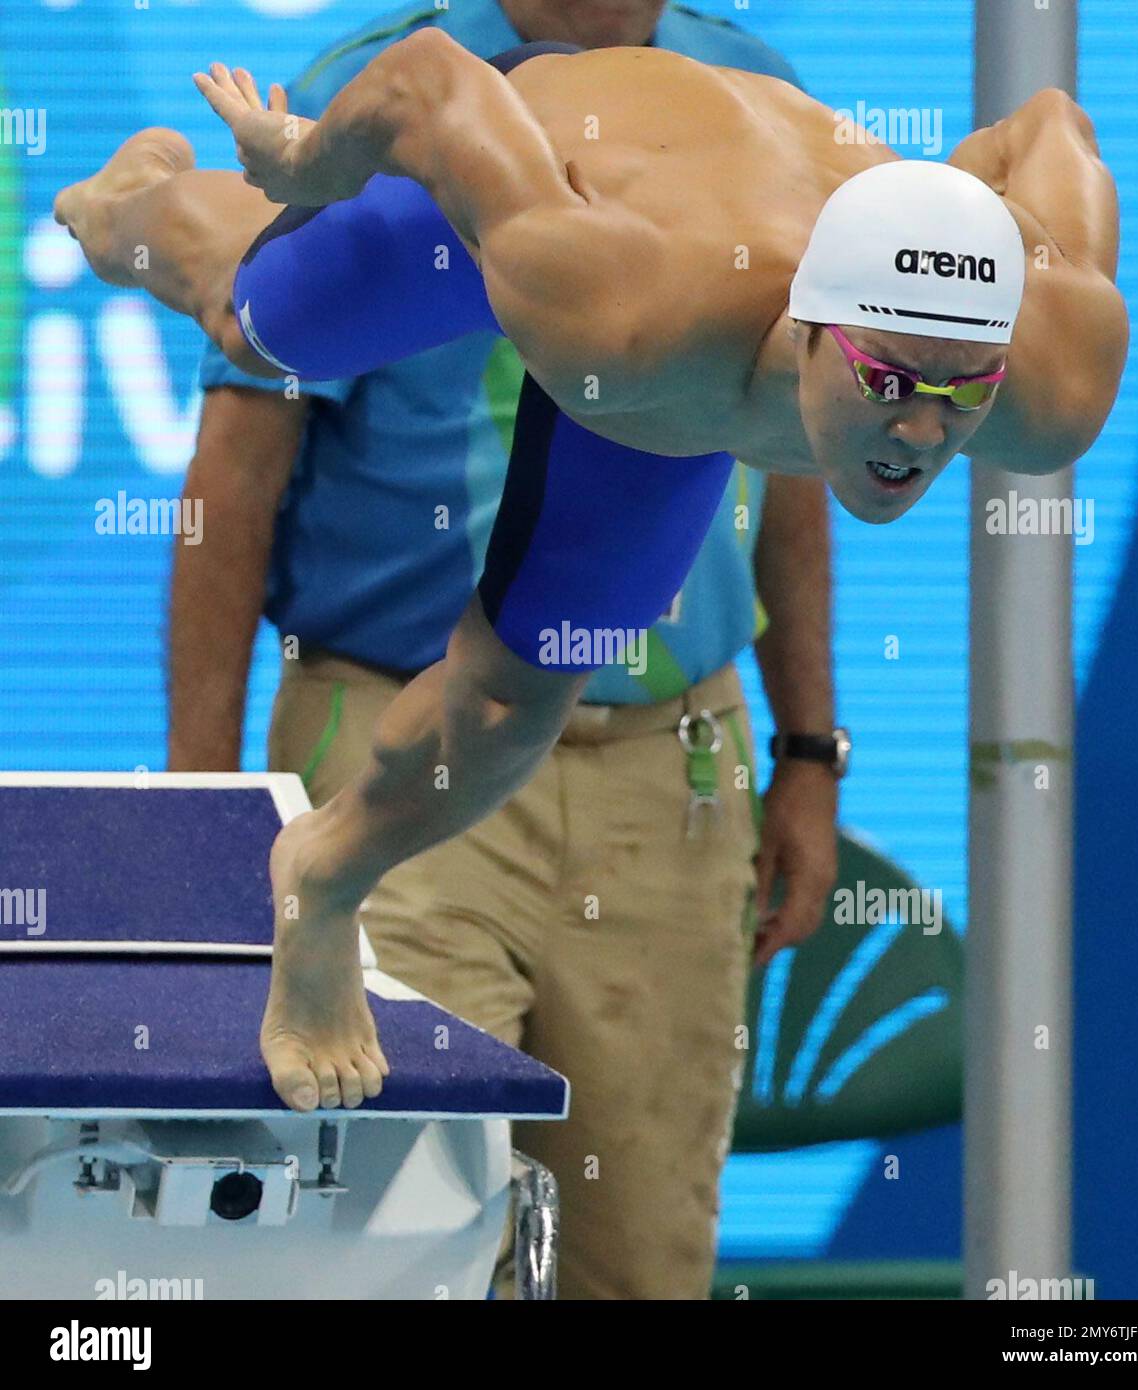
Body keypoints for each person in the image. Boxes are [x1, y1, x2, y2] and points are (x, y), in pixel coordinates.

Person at [56, 34, 1126, 1170]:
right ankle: (128, 202)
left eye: (957, 391)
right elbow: (431, 80)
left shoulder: (1050, 377)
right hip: (576, 179)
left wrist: (939, 205)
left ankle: (319, 877)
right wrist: (312, 159)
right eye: (887, 381)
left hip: (690, 366)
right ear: (813, 328)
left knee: (513, 695)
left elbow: (1047, 124)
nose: (919, 432)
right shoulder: (616, 302)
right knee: (259, 318)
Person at [170, 2, 836, 1302]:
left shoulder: (753, 84)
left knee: (639, 1266)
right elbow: (233, 478)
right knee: (396, 1257)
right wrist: (197, 804)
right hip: (400, 755)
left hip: (670, 775)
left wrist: (809, 746)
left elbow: (797, 436)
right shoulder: (372, 87)